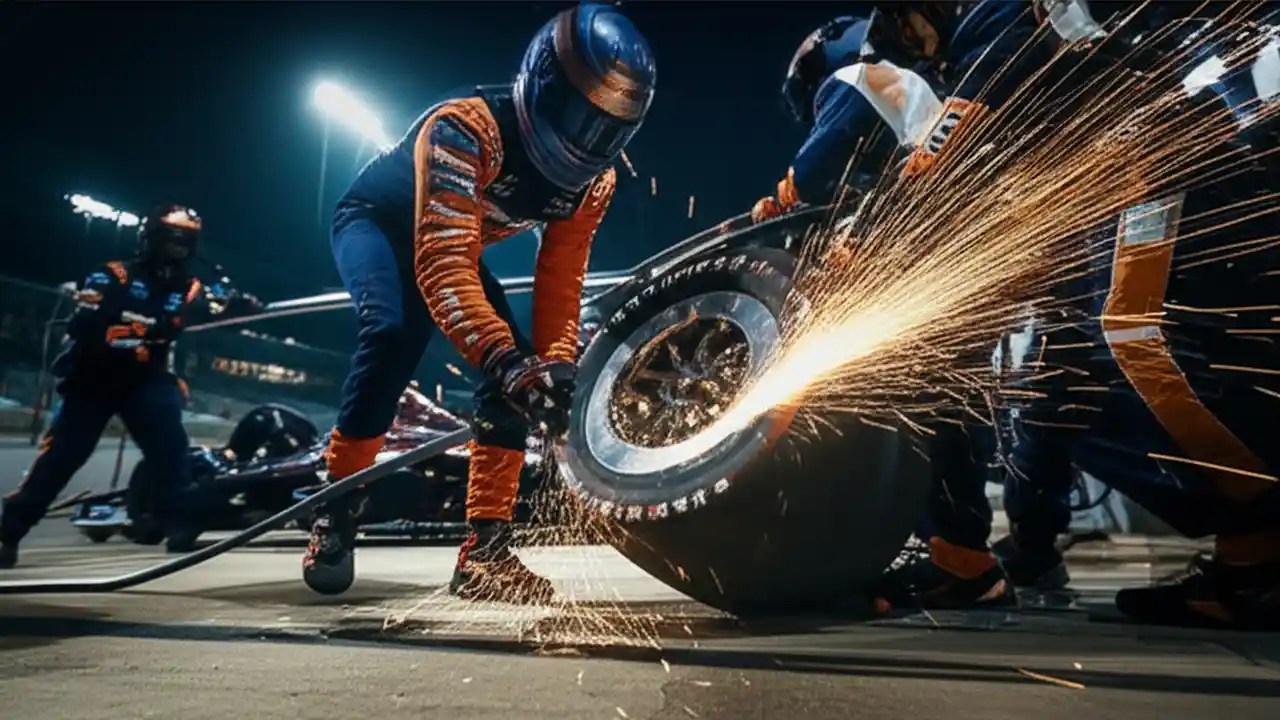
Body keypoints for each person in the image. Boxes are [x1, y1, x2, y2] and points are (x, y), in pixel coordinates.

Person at [871, 0, 1280, 629]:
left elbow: (943, 155)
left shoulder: (991, 19)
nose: (919, 46)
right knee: (1069, 394)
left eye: (911, 27)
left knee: (1131, 351)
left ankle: (1264, 543)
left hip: (1160, 176)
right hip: (1145, 189)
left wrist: (877, 243)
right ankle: (1250, 561)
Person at [301, 2, 656, 604]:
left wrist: (556, 365)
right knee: (394, 333)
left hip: (456, 242)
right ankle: (336, 510)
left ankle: (485, 553)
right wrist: (509, 363)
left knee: (517, 367)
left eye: (603, 129)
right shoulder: (464, 127)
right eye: (576, 116)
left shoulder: (596, 180)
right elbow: (441, 265)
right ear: (542, 83)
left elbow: (561, 278)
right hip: (380, 225)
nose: (583, 139)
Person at [0, 204, 205, 567]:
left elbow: (174, 326)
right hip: (93, 379)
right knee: (63, 456)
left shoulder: (188, 287)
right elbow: (90, 326)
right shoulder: (114, 274)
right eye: (172, 238)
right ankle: (9, 531)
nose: (179, 247)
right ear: (152, 238)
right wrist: (142, 331)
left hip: (146, 380)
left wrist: (134, 327)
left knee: (172, 450)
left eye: (186, 241)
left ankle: (179, 528)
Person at [749, 15, 946, 225]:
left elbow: (819, 157)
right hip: (945, 175)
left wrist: (783, 199)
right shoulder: (907, 76)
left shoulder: (854, 77)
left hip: (934, 183)